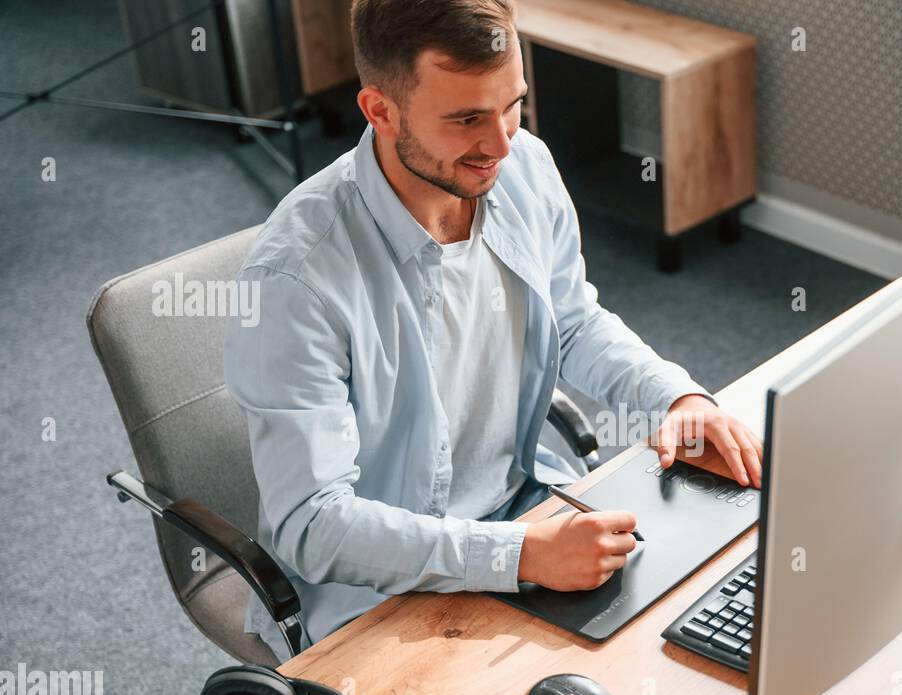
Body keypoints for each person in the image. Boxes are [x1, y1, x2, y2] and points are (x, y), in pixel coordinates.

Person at [224, 0, 763, 656]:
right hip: (379, 595)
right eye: (467, 119)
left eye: (513, 103)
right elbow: (312, 527)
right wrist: (517, 557)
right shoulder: (296, 280)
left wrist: (673, 397)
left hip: (527, 517)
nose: (502, 143)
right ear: (380, 111)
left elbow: (571, 320)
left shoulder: (523, 165)